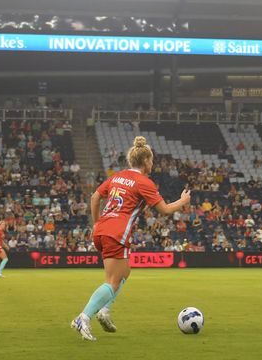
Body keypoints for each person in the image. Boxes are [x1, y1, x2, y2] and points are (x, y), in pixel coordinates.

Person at [70, 135, 191, 341]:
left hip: (102, 229)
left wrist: (97, 223)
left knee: (124, 273)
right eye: (151, 160)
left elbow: (95, 197)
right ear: (145, 161)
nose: (152, 164)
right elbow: (164, 210)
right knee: (113, 281)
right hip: (117, 233)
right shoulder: (144, 182)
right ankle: (84, 317)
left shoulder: (118, 176)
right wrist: (183, 200)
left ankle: (104, 311)